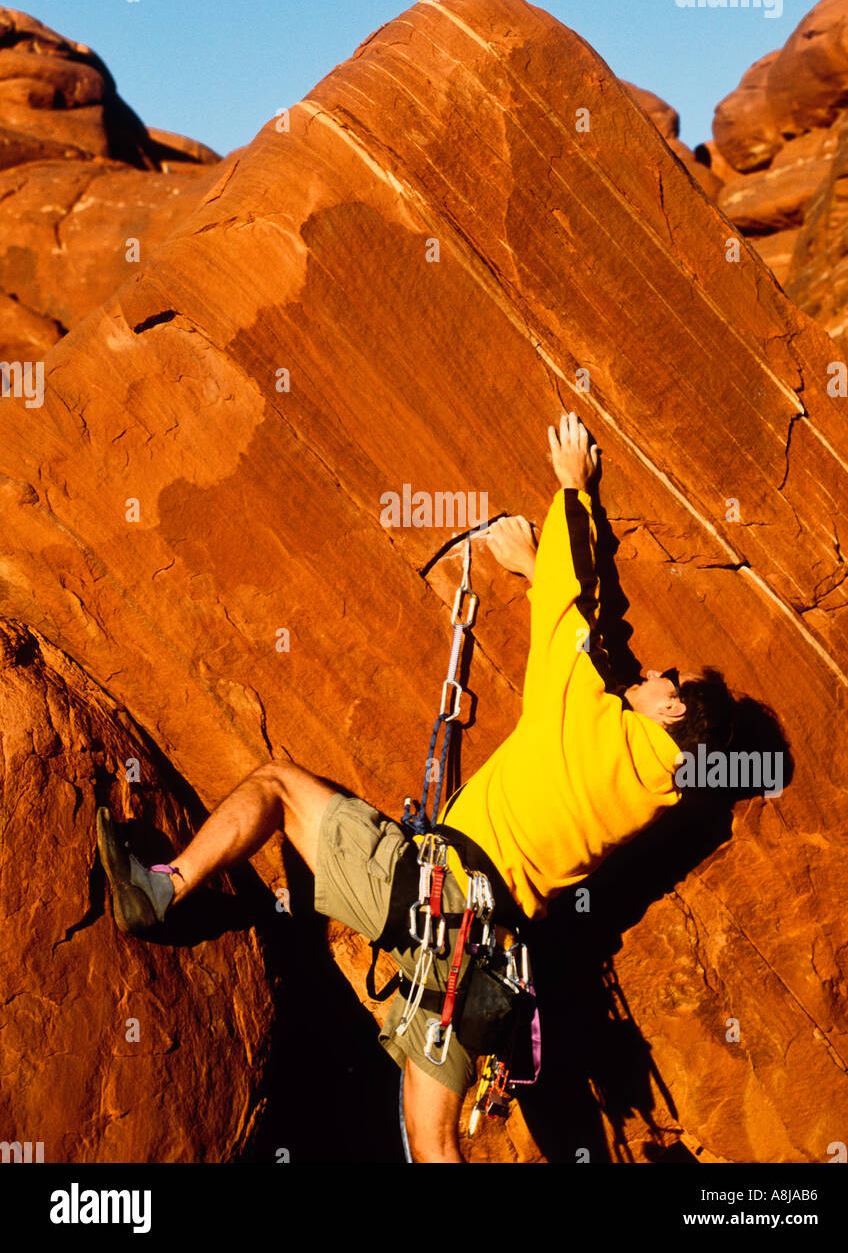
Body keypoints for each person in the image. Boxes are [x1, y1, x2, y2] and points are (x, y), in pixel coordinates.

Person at [97, 411, 736, 1163]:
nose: (655, 671)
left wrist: (574, 491)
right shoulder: (659, 792)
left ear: (668, 709)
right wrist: (543, 585)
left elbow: (575, 608)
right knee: (432, 1143)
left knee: (277, 786)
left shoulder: (591, 716)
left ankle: (162, 891)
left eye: (669, 678)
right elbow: (589, 651)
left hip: (430, 895)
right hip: (485, 960)